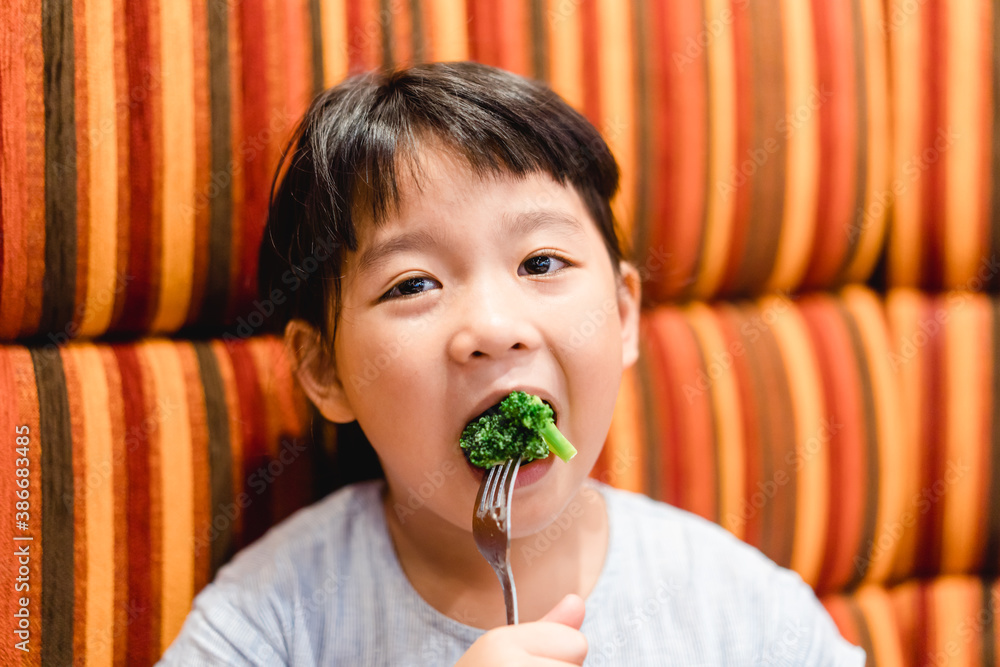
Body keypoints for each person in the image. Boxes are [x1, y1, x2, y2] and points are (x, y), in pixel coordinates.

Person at [159, 61, 865, 666]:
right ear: (326, 373)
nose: (494, 329)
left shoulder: (737, 607)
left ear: (622, 315)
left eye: (541, 262)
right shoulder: (276, 617)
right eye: (413, 284)